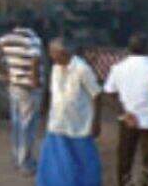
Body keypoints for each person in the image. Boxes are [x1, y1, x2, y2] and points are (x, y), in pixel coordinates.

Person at [103, 34, 148, 186]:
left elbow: (109, 93)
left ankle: (124, 183)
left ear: (128, 49)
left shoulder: (118, 68)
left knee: (125, 157)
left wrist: (123, 112)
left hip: (127, 120)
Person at [37, 38, 103, 186]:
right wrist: (45, 109)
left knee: (83, 160)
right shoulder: (55, 68)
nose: (51, 56)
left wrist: (96, 121)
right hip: (58, 123)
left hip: (78, 124)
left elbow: (97, 94)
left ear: (63, 52)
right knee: (57, 161)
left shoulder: (82, 69)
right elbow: (53, 93)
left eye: (53, 53)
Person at [0, 15, 45, 176]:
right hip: (29, 88)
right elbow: (35, 58)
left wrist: (2, 73)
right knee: (29, 125)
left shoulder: (5, 39)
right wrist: (34, 80)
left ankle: (17, 158)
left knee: (17, 123)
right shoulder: (32, 38)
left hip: (14, 86)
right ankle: (26, 163)